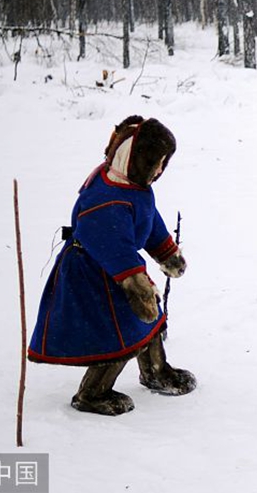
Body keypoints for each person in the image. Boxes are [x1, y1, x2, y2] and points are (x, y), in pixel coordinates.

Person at [28, 115, 197, 415]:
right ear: (136, 159)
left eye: (163, 163)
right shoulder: (104, 200)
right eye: (155, 163)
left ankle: (156, 371)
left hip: (119, 269)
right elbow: (112, 246)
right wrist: (138, 286)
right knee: (117, 335)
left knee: (148, 319)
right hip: (92, 275)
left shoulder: (134, 187)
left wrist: (166, 252)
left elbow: (149, 221)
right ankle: (92, 393)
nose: (159, 170)